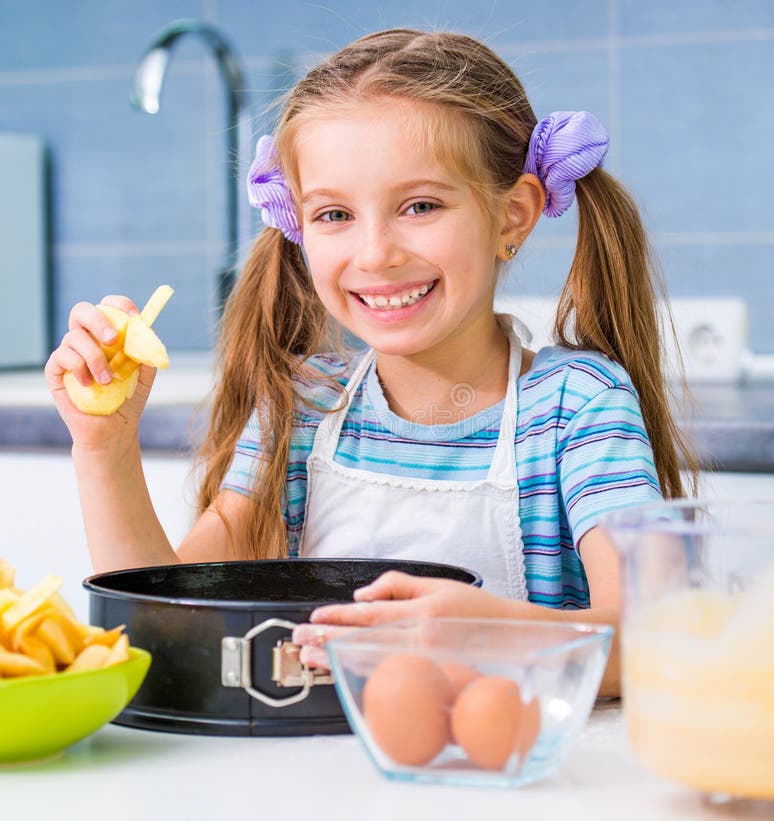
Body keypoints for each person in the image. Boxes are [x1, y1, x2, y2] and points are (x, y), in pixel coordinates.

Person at [45, 29, 696, 697]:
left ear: (513, 215)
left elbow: (658, 640)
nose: (375, 252)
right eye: (334, 214)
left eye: (419, 206)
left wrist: (490, 635)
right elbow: (164, 628)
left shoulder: (574, 407)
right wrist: (105, 447)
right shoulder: (304, 405)